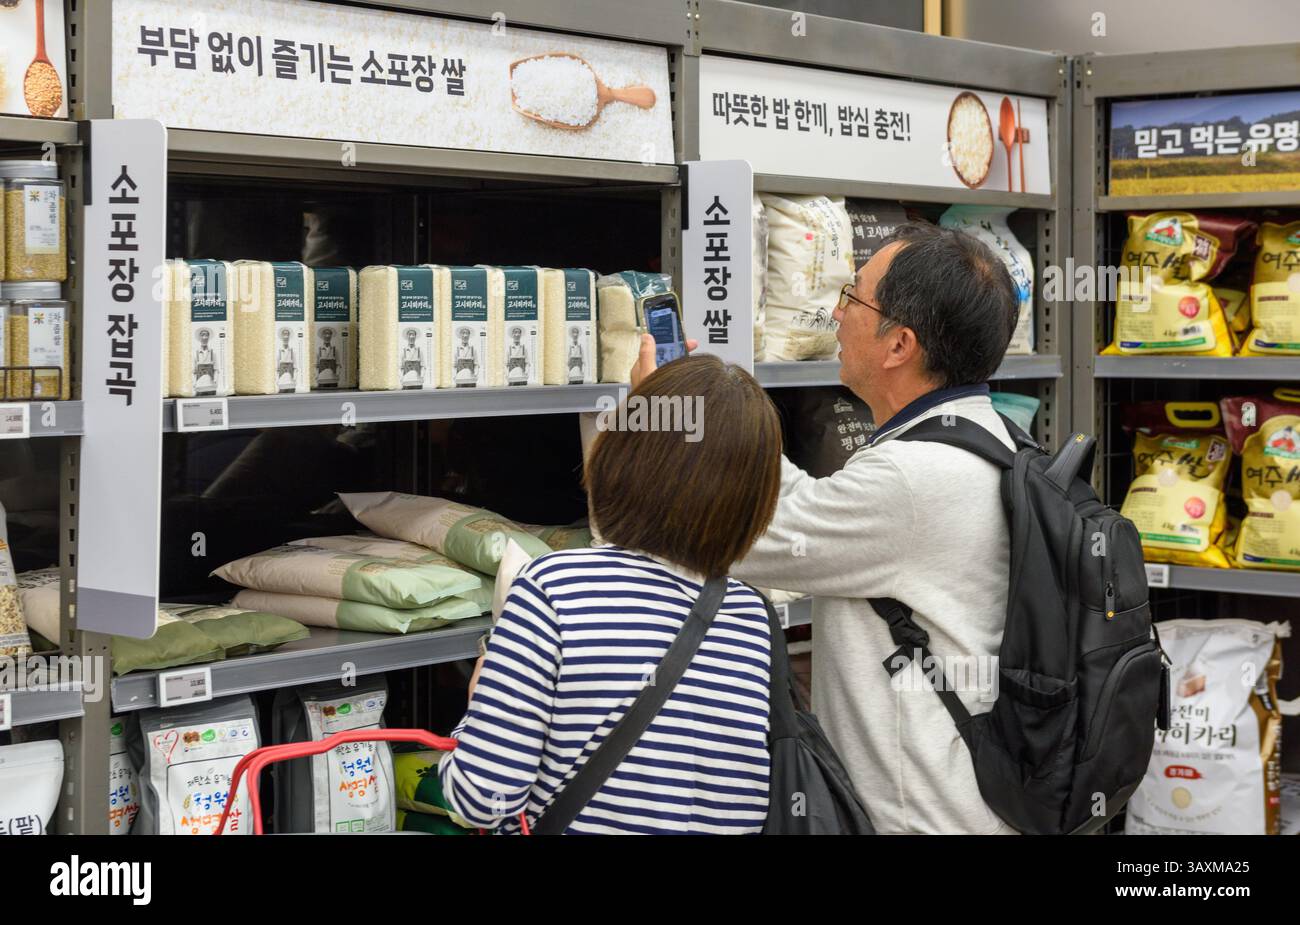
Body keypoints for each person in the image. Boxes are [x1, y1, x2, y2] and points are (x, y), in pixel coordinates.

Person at [727, 220, 1022, 834]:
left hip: (915, 820)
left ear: (899, 345)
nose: (835, 313)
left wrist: (693, 406)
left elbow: (743, 529)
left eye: (853, 297)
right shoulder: (996, 440)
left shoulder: (911, 479)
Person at [438, 354, 784, 834]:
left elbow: (482, 798)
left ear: (626, 456)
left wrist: (480, 705)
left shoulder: (554, 587)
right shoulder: (754, 617)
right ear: (758, 497)